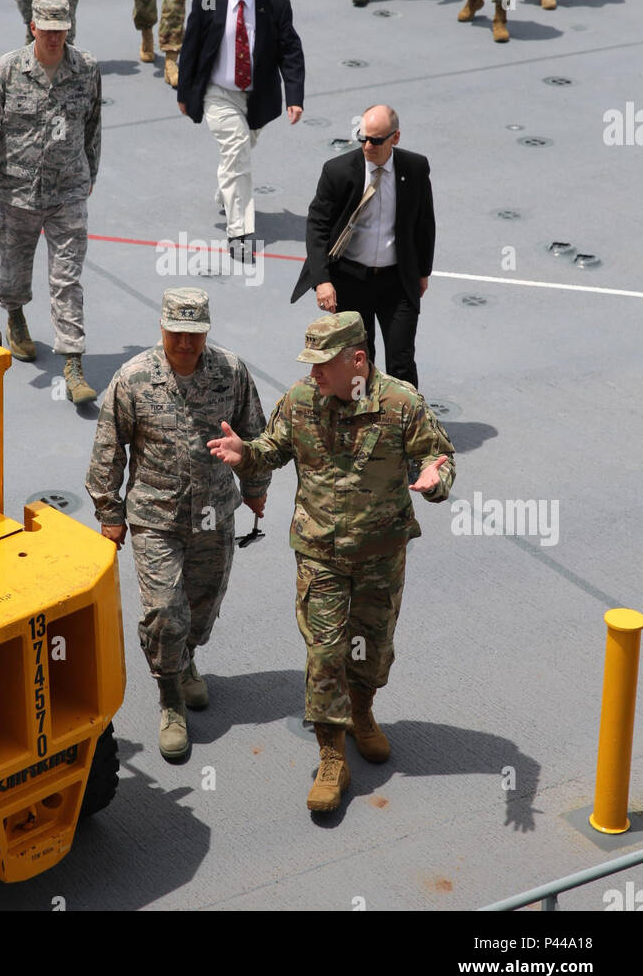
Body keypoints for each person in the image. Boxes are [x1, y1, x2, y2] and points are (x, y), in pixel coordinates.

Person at [208, 312, 455, 813]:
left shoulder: (401, 404)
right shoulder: (301, 400)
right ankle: (331, 756)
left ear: (357, 360)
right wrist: (245, 453)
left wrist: (435, 480)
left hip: (381, 553)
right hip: (320, 552)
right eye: (311, 363)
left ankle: (361, 713)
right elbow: (272, 448)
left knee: (371, 647)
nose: (314, 373)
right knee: (325, 653)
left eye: (324, 364)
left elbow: (439, 456)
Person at [85, 288, 270, 760]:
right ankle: (170, 696)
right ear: (162, 327)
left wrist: (256, 485)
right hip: (155, 517)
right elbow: (109, 448)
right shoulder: (133, 378)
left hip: (213, 512)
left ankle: (186, 659)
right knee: (165, 610)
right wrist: (109, 513)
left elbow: (254, 433)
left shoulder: (231, 372)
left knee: (202, 605)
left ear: (206, 330)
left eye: (194, 334)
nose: (185, 343)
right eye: (177, 333)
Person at [0, 0, 100, 405]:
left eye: (61, 30)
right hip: (16, 193)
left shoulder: (86, 68)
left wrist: (89, 174)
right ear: (33, 27)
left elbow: (93, 125)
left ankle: (73, 362)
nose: (55, 37)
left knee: (67, 280)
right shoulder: (8, 69)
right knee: (12, 271)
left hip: (67, 193)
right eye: (48, 30)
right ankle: (15, 316)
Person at [177, 0, 306, 262]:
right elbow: (191, 46)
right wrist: (185, 93)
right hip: (218, 93)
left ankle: (228, 188)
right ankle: (240, 232)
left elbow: (290, 51)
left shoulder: (275, 4)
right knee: (237, 149)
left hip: (258, 97)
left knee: (237, 157)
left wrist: (294, 97)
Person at [291, 104, 434, 390]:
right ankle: (362, 411)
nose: (368, 146)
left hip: (397, 281)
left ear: (395, 138)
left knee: (402, 359)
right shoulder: (338, 171)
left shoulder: (415, 168)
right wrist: (322, 281)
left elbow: (424, 223)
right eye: (363, 138)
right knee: (359, 359)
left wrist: (422, 273)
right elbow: (317, 225)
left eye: (376, 141)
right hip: (351, 279)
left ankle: (405, 415)